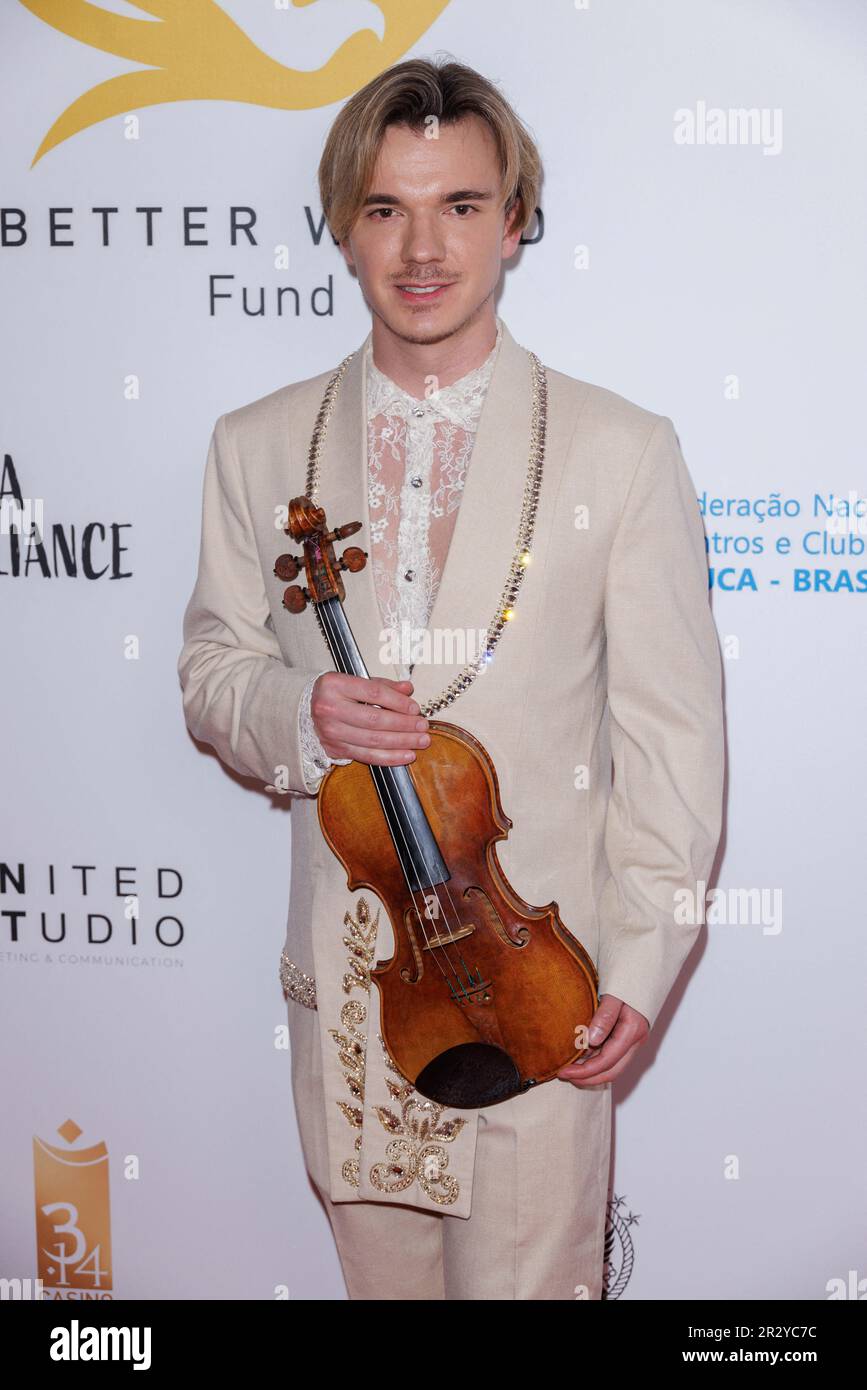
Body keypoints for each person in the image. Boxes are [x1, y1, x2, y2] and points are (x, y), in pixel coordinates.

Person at [177, 56, 724, 1300]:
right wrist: (293, 711)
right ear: (343, 227)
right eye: (386, 208)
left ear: (516, 220)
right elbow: (213, 666)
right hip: (362, 997)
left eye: (461, 206)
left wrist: (639, 966)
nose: (423, 247)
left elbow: (675, 743)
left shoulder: (623, 450)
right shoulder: (255, 444)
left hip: (547, 989)